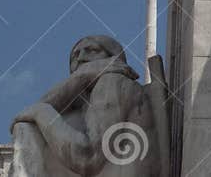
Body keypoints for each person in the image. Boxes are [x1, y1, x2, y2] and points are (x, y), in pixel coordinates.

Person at [9, 35, 160, 177]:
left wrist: (41, 112)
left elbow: (88, 157)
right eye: (75, 56)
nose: (81, 58)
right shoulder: (82, 107)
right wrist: (82, 77)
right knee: (27, 126)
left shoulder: (112, 82)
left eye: (92, 50)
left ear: (112, 59)